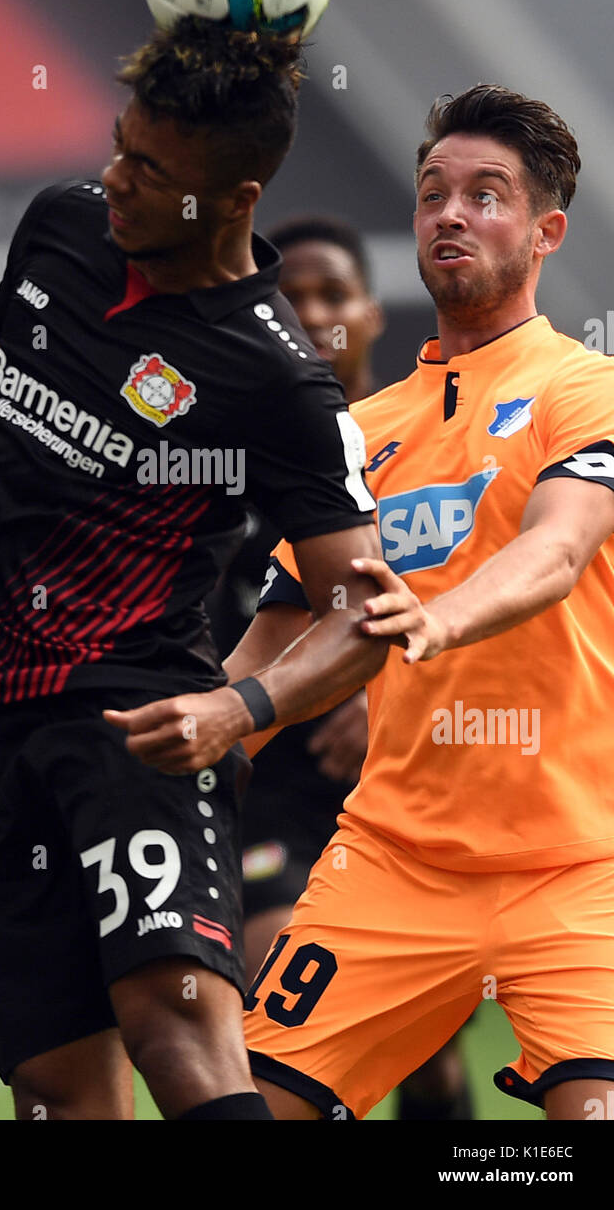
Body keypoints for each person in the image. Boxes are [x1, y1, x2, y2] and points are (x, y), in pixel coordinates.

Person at [0, 17, 390, 1121]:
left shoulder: (276, 376)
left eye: (149, 169)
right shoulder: (63, 228)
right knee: (57, 1092)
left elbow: (364, 606)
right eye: (117, 146)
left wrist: (238, 710)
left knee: (179, 1032)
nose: (115, 179)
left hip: (131, 724)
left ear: (232, 198)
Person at [114, 84, 614, 1122]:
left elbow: (558, 549)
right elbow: (283, 630)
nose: (451, 213)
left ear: (544, 231)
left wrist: (437, 619)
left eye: (487, 196)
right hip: (391, 861)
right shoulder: (360, 434)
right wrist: (202, 726)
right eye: (434, 192)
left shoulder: (591, 390)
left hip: (583, 864)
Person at [229, 215, 472, 1121]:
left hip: (429, 792)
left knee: (432, 1067)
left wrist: (386, 692)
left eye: (332, 292)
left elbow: (505, 607)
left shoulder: (441, 451)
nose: (313, 312)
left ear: (371, 311)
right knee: (282, 1023)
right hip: (279, 802)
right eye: (288, 297)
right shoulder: (229, 475)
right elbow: (231, 644)